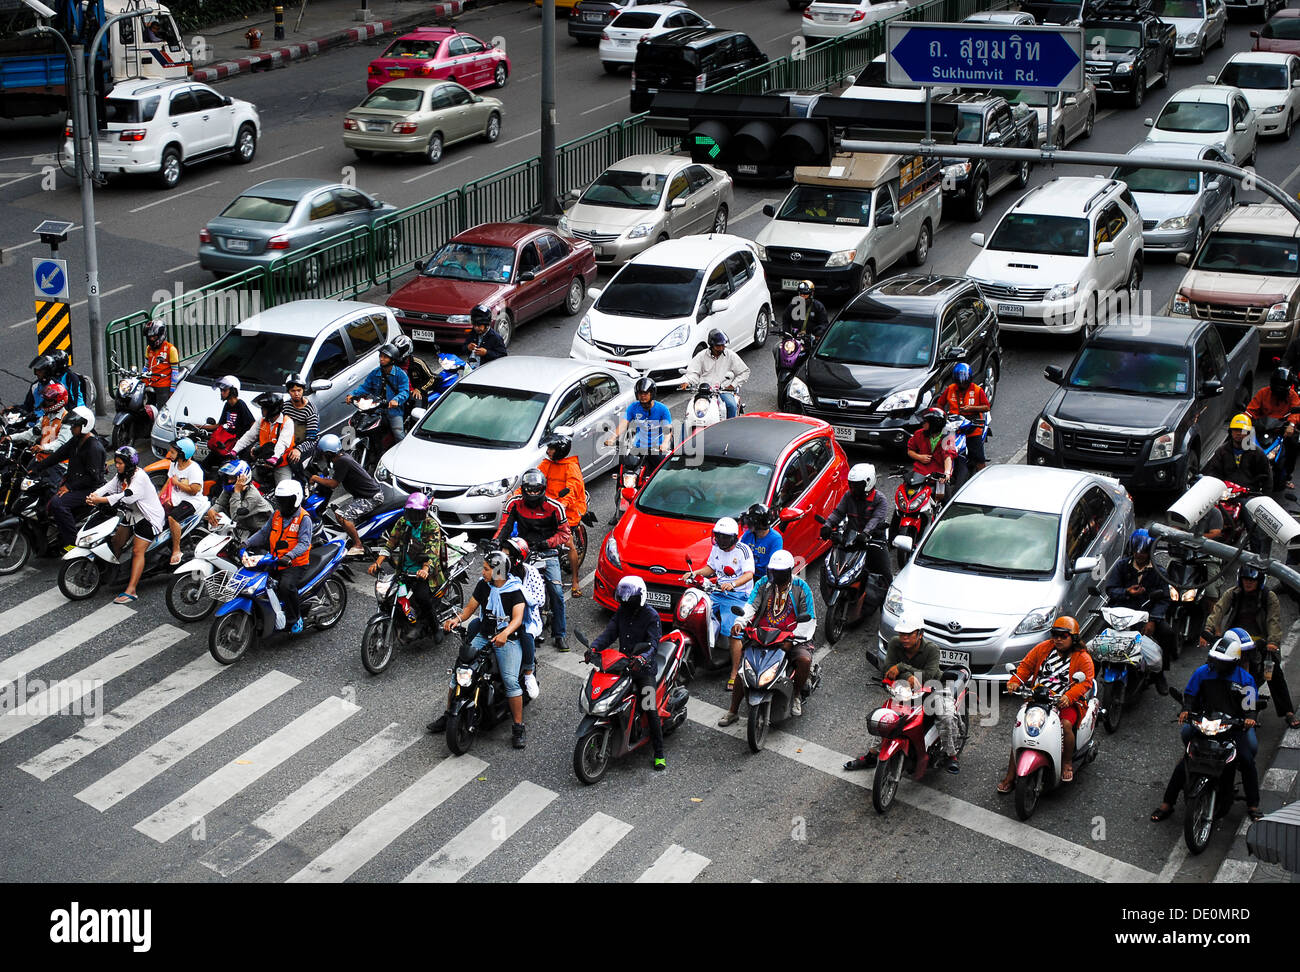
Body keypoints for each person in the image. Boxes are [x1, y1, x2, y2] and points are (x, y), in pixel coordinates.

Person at [1150, 629, 1262, 822]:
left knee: (1246, 759)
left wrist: (1249, 718)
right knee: (1187, 758)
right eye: (1214, 660)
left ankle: (1253, 804)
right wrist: (1186, 709)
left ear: (1233, 662)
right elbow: (1190, 695)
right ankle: (1167, 803)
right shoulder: (1203, 673)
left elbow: (1250, 708)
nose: (1216, 664)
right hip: (1206, 723)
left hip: (1232, 728)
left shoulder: (1246, 680)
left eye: (1221, 662)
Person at [844, 611, 963, 773]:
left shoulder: (932, 649)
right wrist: (909, 677)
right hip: (907, 691)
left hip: (935, 688)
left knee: (947, 717)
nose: (904, 638)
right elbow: (888, 668)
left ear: (920, 634)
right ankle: (872, 755)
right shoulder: (895, 643)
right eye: (902, 634)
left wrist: (901, 668)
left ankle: (951, 754)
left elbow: (928, 675)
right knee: (887, 719)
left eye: (909, 634)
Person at [436, 551, 529, 748]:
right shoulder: (483, 585)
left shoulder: (515, 591)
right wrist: (456, 620)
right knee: (459, 671)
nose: (483, 572)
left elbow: (517, 619)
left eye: (486, 569)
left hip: (508, 641)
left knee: (511, 681)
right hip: (484, 637)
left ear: (498, 571)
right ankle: (448, 714)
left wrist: (505, 633)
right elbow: (469, 609)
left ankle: (518, 727)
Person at [717, 550, 814, 727]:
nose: (774, 575)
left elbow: (810, 618)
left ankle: (797, 695)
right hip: (762, 634)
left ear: (789, 571)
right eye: (773, 570)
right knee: (742, 670)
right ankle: (733, 711)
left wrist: (793, 639)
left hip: (791, 636)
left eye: (779, 572)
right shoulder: (763, 583)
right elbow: (750, 606)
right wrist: (740, 622)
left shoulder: (802, 587)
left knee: (804, 660)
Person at [997, 616, 1094, 790]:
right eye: (1055, 634)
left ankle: (1067, 763)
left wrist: (1069, 696)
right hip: (1038, 697)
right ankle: (1010, 777)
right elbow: (1026, 666)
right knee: (1020, 729)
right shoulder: (1043, 648)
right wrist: (1015, 681)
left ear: (1074, 638)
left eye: (1063, 636)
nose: (1057, 639)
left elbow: (1086, 682)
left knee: (1065, 725)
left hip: (1065, 702)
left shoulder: (1083, 658)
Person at [1203, 565, 1298, 728]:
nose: (1248, 583)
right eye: (1246, 580)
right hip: (1234, 639)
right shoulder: (1232, 593)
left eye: (1252, 580)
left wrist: (1272, 642)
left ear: (1259, 581)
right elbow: (1218, 610)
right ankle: (1205, 706)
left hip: (1259, 641)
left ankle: (1288, 712)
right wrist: (1208, 629)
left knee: (1274, 673)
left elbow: (1274, 621)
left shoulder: (1270, 597)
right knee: (1212, 665)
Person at [587, 575, 667, 769]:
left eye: (628, 600)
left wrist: (642, 658)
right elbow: (609, 633)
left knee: (649, 707)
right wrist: (594, 648)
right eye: (622, 600)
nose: (625, 603)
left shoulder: (651, 616)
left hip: (644, 669)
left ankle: (659, 753)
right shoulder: (622, 611)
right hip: (623, 665)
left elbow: (654, 645)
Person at [494, 467, 571, 651]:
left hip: (548, 551)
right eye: (529, 490)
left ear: (543, 489)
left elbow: (565, 534)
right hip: (523, 549)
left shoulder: (556, 507)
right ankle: (498, 622)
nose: (532, 494)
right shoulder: (514, 503)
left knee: (556, 591)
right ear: (524, 489)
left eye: (536, 490)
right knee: (501, 580)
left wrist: (548, 543)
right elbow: (504, 526)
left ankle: (559, 634)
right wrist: (495, 543)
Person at [682, 516, 754, 692]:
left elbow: (749, 574)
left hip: (738, 595)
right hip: (717, 592)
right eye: (718, 536)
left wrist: (733, 583)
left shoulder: (743, 551)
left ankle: (734, 674)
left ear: (734, 537)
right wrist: (694, 574)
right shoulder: (716, 548)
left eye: (724, 537)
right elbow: (711, 569)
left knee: (732, 631)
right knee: (694, 614)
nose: (721, 540)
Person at [86, 446, 166, 605]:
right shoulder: (122, 475)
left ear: (129, 464)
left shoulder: (139, 477)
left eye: (120, 463)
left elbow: (126, 496)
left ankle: (131, 590)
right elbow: (107, 488)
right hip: (131, 515)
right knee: (116, 543)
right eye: (116, 462)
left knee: (137, 551)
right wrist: (93, 496)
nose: (117, 465)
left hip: (148, 518)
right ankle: (110, 574)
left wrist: (100, 500)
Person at [368, 492, 449, 645]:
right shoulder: (402, 522)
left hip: (425, 573)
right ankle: (404, 624)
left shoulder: (431, 526)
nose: (413, 516)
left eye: (417, 512)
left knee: (422, 598)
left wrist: (424, 569)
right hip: (404, 570)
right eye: (411, 512)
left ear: (424, 512)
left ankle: (435, 627)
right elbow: (390, 544)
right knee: (390, 597)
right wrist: (378, 563)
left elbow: (432, 552)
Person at [1104, 528, 1172, 695]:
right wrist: (1126, 592)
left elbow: (1164, 599)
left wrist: (1153, 620)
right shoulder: (1121, 566)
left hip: (1145, 616)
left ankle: (1160, 673)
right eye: (1137, 550)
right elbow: (1111, 589)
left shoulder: (1159, 572)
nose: (1139, 555)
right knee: (1099, 640)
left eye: (1143, 551)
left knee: (1168, 633)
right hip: (1119, 616)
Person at [243, 480, 313, 634]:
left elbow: (304, 543)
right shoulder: (276, 515)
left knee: (285, 586)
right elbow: (263, 534)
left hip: (295, 563)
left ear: (296, 499)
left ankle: (296, 618)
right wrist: (246, 544)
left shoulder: (304, 518)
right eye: (280, 501)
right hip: (275, 559)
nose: (282, 505)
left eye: (285, 502)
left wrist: (289, 556)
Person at [32, 406, 105, 550]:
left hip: (90, 489)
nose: (72, 429)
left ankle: (72, 543)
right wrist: (36, 468)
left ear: (84, 426)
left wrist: (69, 487)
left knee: (58, 504)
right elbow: (58, 455)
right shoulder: (76, 441)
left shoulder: (93, 448)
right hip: (75, 483)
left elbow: (93, 478)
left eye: (74, 426)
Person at [604, 376, 673, 525]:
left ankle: (664, 508)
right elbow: (623, 424)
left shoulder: (662, 409)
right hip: (639, 446)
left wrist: (665, 443)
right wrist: (613, 437)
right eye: (640, 393)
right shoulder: (633, 408)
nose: (643, 396)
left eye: (646, 393)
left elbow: (668, 430)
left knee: (661, 477)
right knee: (624, 471)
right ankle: (618, 509)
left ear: (652, 393)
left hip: (657, 447)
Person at [309, 433, 383, 557]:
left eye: (323, 453)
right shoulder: (341, 458)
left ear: (328, 453)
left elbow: (333, 484)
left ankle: (358, 545)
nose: (321, 456)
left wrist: (315, 478)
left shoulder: (342, 461)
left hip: (370, 497)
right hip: (363, 495)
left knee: (341, 515)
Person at [820, 462, 893, 585]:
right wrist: (827, 525)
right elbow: (838, 512)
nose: (853, 489)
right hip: (851, 540)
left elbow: (875, 520)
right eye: (851, 485)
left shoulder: (880, 500)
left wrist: (865, 533)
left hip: (874, 540)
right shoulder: (849, 496)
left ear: (868, 483)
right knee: (830, 569)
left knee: (886, 575)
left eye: (857, 486)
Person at [538, 431, 588, 596]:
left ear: (559, 450)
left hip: (567, 511)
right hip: (548, 508)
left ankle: (575, 580)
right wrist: (517, 493)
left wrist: (561, 504)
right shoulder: (547, 464)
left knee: (569, 544)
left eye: (551, 448)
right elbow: (535, 480)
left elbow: (572, 490)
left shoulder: (571, 467)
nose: (548, 451)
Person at [500, 536, 545, 699]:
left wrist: (519, 590)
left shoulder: (530, 572)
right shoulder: (499, 570)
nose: (503, 558)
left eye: (507, 555)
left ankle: (528, 672)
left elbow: (540, 600)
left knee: (525, 635)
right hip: (500, 616)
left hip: (525, 618)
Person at [1244, 367, 1300, 490]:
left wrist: (1291, 425)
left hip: (1281, 430)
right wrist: (1244, 420)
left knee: (1293, 444)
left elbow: (1296, 412)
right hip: (1262, 427)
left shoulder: (1293, 396)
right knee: (1241, 440)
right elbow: (1250, 410)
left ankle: (1287, 475)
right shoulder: (1263, 393)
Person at [347, 343, 410, 445]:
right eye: (381, 356)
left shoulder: (401, 375)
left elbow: (405, 391)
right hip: (375, 409)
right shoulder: (375, 373)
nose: (381, 359)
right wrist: (352, 395)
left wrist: (396, 400)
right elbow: (364, 387)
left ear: (392, 360)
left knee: (398, 434)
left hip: (393, 411)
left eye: (385, 357)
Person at [680, 329, 749, 419]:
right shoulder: (701, 356)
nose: (721, 348)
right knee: (691, 409)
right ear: (711, 345)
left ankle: (730, 429)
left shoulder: (730, 355)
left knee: (731, 405)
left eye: (723, 346)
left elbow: (745, 371)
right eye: (718, 346)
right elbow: (693, 372)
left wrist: (733, 385)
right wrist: (687, 382)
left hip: (723, 390)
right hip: (704, 391)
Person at [939, 362, 991, 473]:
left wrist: (971, 408)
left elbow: (986, 407)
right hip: (954, 425)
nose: (962, 386)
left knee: (978, 457)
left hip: (973, 425)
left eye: (965, 383)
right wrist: (942, 415)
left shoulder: (977, 390)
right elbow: (940, 404)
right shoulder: (950, 389)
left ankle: (982, 475)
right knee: (943, 449)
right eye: (959, 383)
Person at [162, 437, 206, 566]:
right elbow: (168, 481)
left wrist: (177, 483)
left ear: (182, 455)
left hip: (191, 501)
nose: (170, 454)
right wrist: (160, 498)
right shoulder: (174, 464)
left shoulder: (194, 469)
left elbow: (194, 490)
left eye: (173, 452)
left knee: (172, 518)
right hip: (176, 498)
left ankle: (176, 550)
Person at [1201, 413, 1272, 494]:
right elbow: (1213, 474)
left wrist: (1264, 497)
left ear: (1248, 433)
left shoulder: (1258, 453)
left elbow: (1267, 479)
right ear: (1230, 432)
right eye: (1235, 430)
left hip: (1249, 495)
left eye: (1242, 430)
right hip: (1226, 493)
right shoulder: (1221, 451)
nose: (1238, 433)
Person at [6, 383, 71, 468]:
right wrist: (11, 437)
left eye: (49, 400)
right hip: (41, 459)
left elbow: (61, 443)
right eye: (45, 400)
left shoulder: (66, 420)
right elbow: (32, 433)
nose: (45, 403)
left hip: (58, 465)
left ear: (59, 401)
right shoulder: (46, 416)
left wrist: (43, 447)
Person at [234, 392, 294, 482]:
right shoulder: (261, 421)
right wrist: (234, 450)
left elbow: (283, 442)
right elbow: (249, 436)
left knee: (283, 489)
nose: (262, 410)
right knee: (246, 482)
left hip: (281, 463)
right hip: (263, 460)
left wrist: (275, 457)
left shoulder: (287, 422)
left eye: (264, 407)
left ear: (273, 409)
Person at [200, 375, 254, 473]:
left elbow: (252, 424)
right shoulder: (227, 405)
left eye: (224, 390)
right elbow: (218, 425)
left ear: (233, 390)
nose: (222, 393)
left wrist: (245, 441)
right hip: (227, 443)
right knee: (205, 464)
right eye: (221, 390)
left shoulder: (240, 404)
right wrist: (199, 427)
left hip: (238, 445)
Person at [206, 459, 271, 537]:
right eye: (228, 477)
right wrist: (212, 510)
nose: (229, 481)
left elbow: (235, 516)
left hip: (258, 531)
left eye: (233, 478)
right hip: (242, 527)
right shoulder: (229, 488)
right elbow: (220, 503)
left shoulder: (253, 495)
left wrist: (237, 492)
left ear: (242, 478)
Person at [906, 407, 955, 496]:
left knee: (944, 497)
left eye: (925, 422)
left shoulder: (947, 437)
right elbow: (910, 451)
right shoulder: (919, 434)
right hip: (920, 472)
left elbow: (948, 457)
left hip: (938, 474)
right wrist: (919, 457)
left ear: (934, 424)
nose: (922, 424)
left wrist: (946, 473)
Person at [282, 373, 319, 473]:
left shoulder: (310, 410)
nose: (296, 393)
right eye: (293, 391)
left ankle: (304, 484)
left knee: (294, 462)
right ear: (289, 392)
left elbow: (312, 438)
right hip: (288, 442)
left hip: (306, 444)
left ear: (303, 390)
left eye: (299, 390)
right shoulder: (285, 406)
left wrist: (299, 449)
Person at [739, 503, 783, 582]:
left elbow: (774, 566)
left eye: (750, 522)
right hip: (746, 573)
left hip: (763, 578)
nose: (748, 525)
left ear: (759, 524)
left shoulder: (775, 539)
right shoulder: (748, 534)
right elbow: (739, 554)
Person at [143, 319, 180, 410]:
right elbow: (146, 366)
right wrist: (141, 378)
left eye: (154, 337)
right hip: (150, 383)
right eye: (149, 337)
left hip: (163, 386)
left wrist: (172, 390)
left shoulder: (171, 349)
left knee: (161, 409)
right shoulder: (149, 348)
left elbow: (175, 371)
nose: (151, 339)